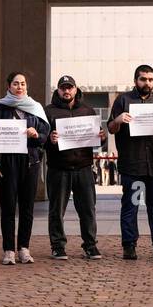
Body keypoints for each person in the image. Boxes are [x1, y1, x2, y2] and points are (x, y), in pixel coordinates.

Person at [108, 64, 153, 260]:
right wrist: (118, 120)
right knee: (131, 206)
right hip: (132, 165)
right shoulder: (123, 100)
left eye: (150, 79)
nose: (147, 83)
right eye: (143, 79)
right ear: (136, 80)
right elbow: (110, 128)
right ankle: (129, 245)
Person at [0, 72, 50, 265]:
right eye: (16, 84)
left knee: (27, 208)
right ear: (9, 86)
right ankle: (8, 250)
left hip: (30, 162)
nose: (19, 87)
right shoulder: (0, 107)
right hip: (8, 164)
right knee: (8, 206)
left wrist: (36, 135)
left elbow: (45, 135)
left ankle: (24, 248)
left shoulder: (36, 108)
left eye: (23, 83)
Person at [44, 74, 106, 260]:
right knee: (56, 210)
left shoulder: (88, 111)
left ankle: (90, 245)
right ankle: (58, 246)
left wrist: (101, 138)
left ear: (76, 89)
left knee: (88, 209)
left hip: (83, 168)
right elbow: (40, 140)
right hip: (58, 168)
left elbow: (97, 142)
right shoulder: (48, 112)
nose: (66, 90)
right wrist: (50, 140)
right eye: (63, 87)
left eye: (70, 87)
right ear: (58, 90)